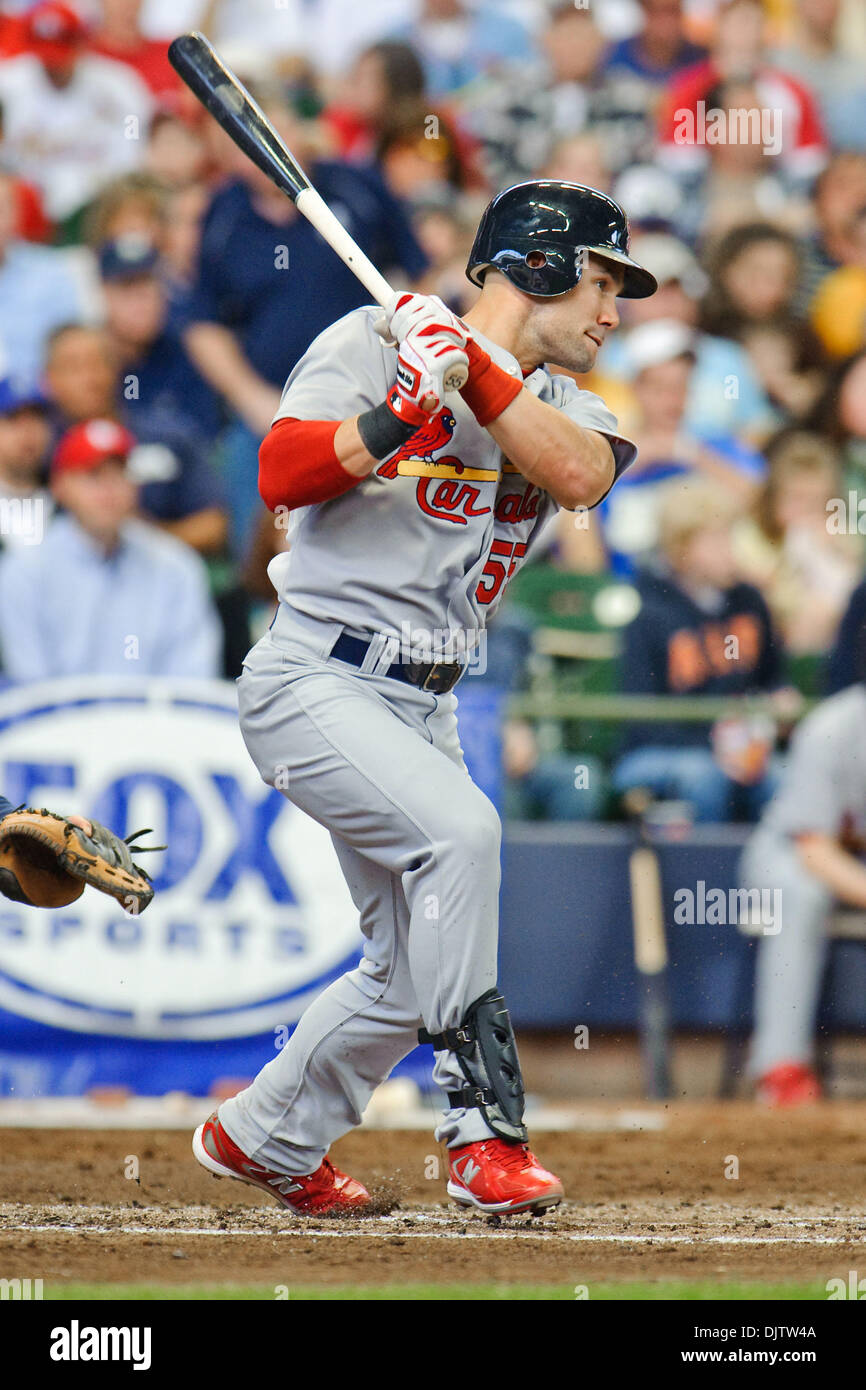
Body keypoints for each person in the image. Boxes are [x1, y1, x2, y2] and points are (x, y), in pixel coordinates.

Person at [191, 180, 657, 1216]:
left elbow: (576, 475)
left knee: (408, 973)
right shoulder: (369, 339)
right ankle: (480, 1134)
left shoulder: (564, 403)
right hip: (315, 674)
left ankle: (263, 1133)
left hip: (425, 701)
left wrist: (471, 376)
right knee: (461, 835)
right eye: (598, 280)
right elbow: (281, 472)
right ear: (535, 268)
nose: (610, 311)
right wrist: (399, 406)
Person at [182, 97, 427, 558]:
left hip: (374, 402)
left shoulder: (355, 187)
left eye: (280, 133)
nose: (265, 151)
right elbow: (203, 324)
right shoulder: (224, 214)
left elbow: (418, 274)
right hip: (271, 412)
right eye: (243, 143)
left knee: (384, 542)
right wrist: (249, 395)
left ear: (302, 135)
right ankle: (265, 618)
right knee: (268, 552)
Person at [612, 481, 788, 823]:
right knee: (705, 777)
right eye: (716, 539)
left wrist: (780, 703)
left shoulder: (749, 600)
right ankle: (700, 878)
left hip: (745, 750)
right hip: (657, 754)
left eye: (730, 537)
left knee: (784, 779)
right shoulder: (647, 610)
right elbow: (641, 719)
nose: (729, 550)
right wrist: (716, 747)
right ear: (682, 547)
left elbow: (773, 680)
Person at [0, 418, 222, 681]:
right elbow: (30, 684)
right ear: (60, 486)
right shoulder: (24, 570)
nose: (108, 489)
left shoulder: (176, 566)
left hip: (158, 720)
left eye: (119, 473)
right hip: (58, 721)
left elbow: (193, 677)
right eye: (92, 475)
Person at [739, 675, 866, 1104]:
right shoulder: (834, 726)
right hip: (787, 855)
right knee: (801, 895)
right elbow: (814, 852)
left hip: (853, 862)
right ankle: (782, 1070)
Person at [0, 1, 153, 233]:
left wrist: (123, 140)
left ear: (82, 43)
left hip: (97, 203)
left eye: (61, 50)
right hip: (27, 206)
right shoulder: (8, 85)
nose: (53, 64)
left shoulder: (118, 86)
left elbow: (134, 134)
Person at [0, 170, 91, 385]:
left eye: (0, 209)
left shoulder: (52, 273)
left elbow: (74, 356)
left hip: (40, 407)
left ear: (16, 215)